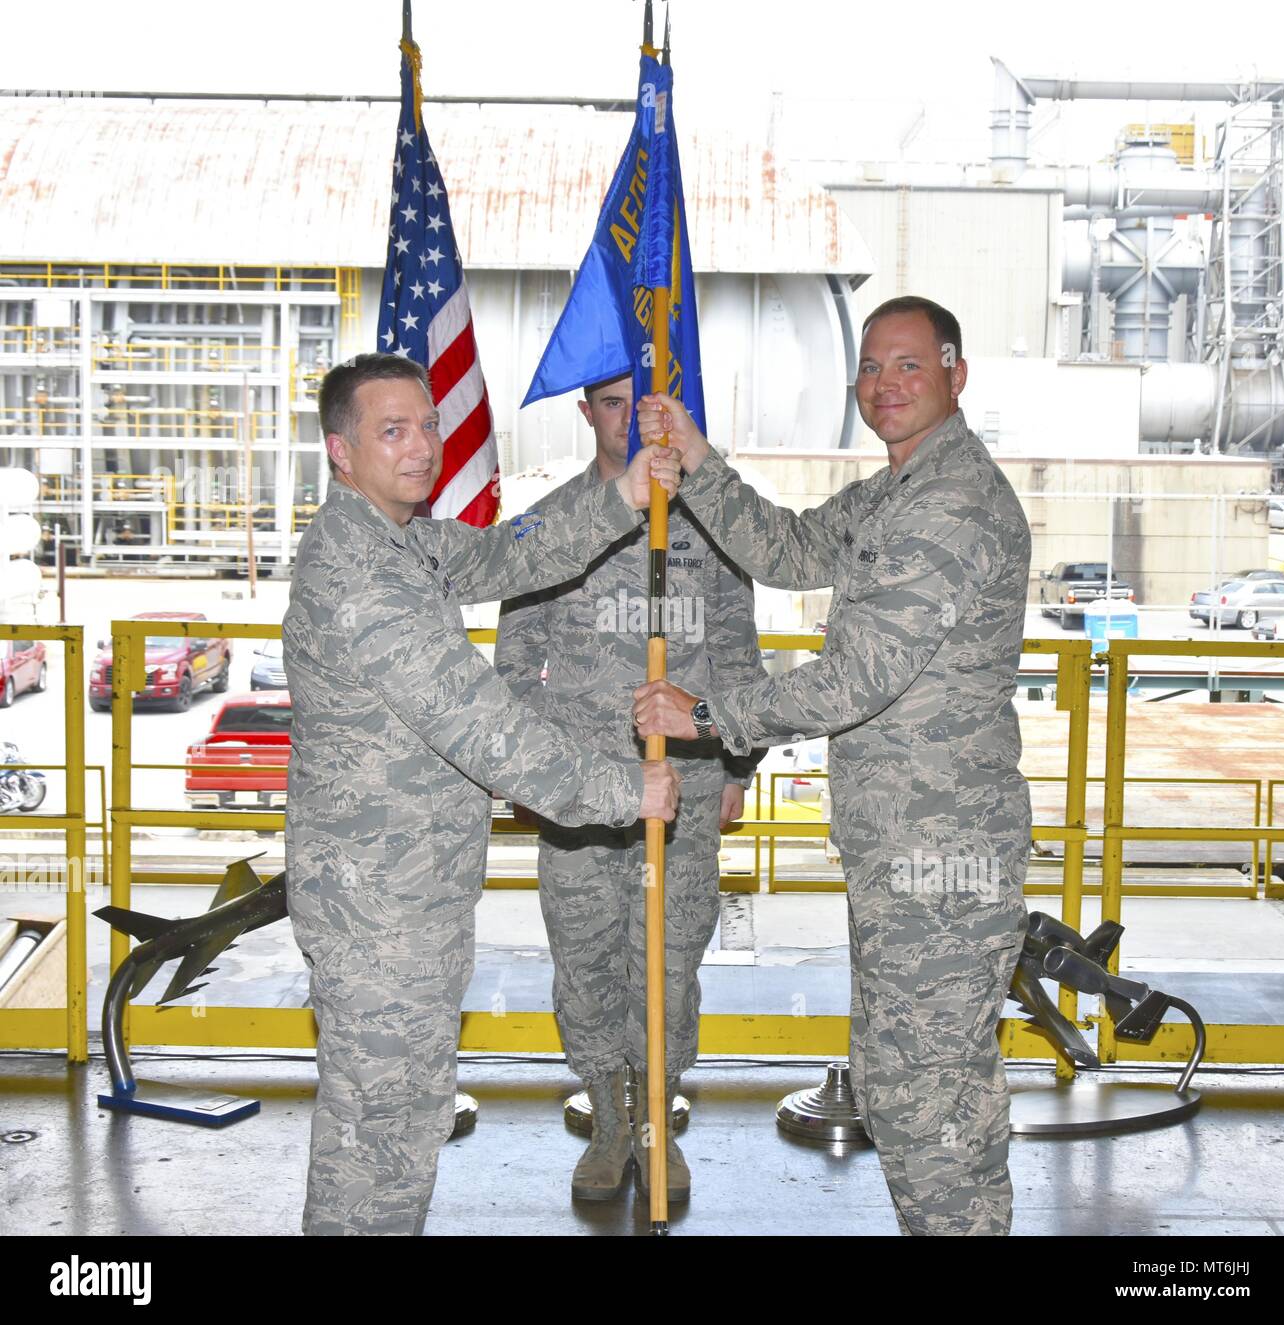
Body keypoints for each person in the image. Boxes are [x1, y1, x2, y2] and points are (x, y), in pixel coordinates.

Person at [631, 297, 1032, 1236]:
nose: (885, 385)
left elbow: (860, 677)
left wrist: (710, 716)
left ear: (955, 372)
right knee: (905, 1081)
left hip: (944, 856)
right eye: (871, 367)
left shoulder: (953, 501)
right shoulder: (898, 488)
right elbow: (792, 547)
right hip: (905, 850)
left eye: (909, 365)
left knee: (932, 1100)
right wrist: (695, 456)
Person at [283, 353, 683, 1236]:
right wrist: (630, 788)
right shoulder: (365, 577)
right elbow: (489, 730)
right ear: (341, 452)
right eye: (393, 431)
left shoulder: (402, 541)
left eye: (427, 425)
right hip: (378, 915)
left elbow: (508, 553)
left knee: (399, 1121)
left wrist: (617, 496)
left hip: (408, 900)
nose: (423, 447)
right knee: (377, 1137)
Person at [495, 374, 765, 1204]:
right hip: (577, 790)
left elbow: (736, 651)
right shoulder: (551, 525)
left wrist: (735, 763)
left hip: (680, 783)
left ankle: (657, 1120)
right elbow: (513, 665)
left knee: (671, 954)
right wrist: (532, 772)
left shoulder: (706, 518)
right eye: (612, 402)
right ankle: (610, 1123)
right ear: (587, 414)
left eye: (644, 403)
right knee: (585, 956)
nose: (629, 417)